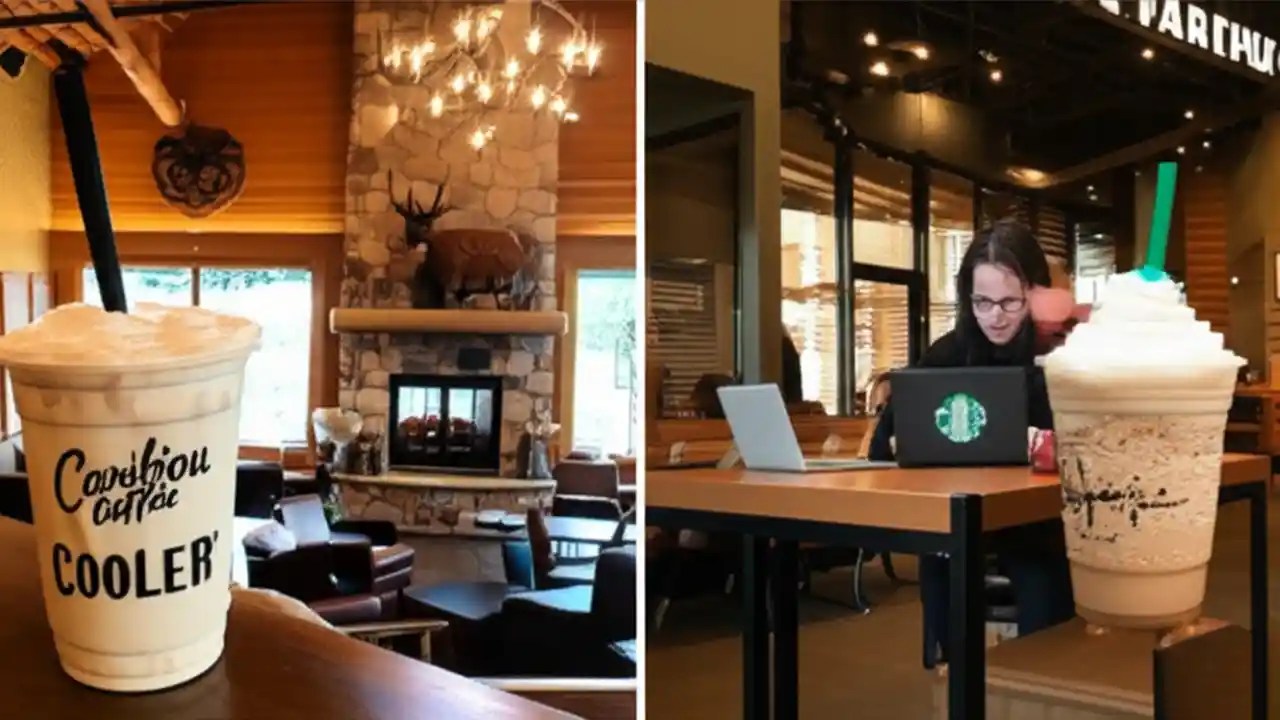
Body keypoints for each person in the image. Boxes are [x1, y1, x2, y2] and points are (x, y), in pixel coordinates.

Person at [866, 219, 1080, 667]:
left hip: (1040, 521)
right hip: (963, 520)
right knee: (942, 563)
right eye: (981, 302)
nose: (994, 316)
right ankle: (957, 680)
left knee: (1040, 574)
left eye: (1009, 302)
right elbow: (884, 442)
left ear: (1036, 294)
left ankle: (1042, 681)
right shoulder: (949, 352)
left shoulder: (1066, 355)